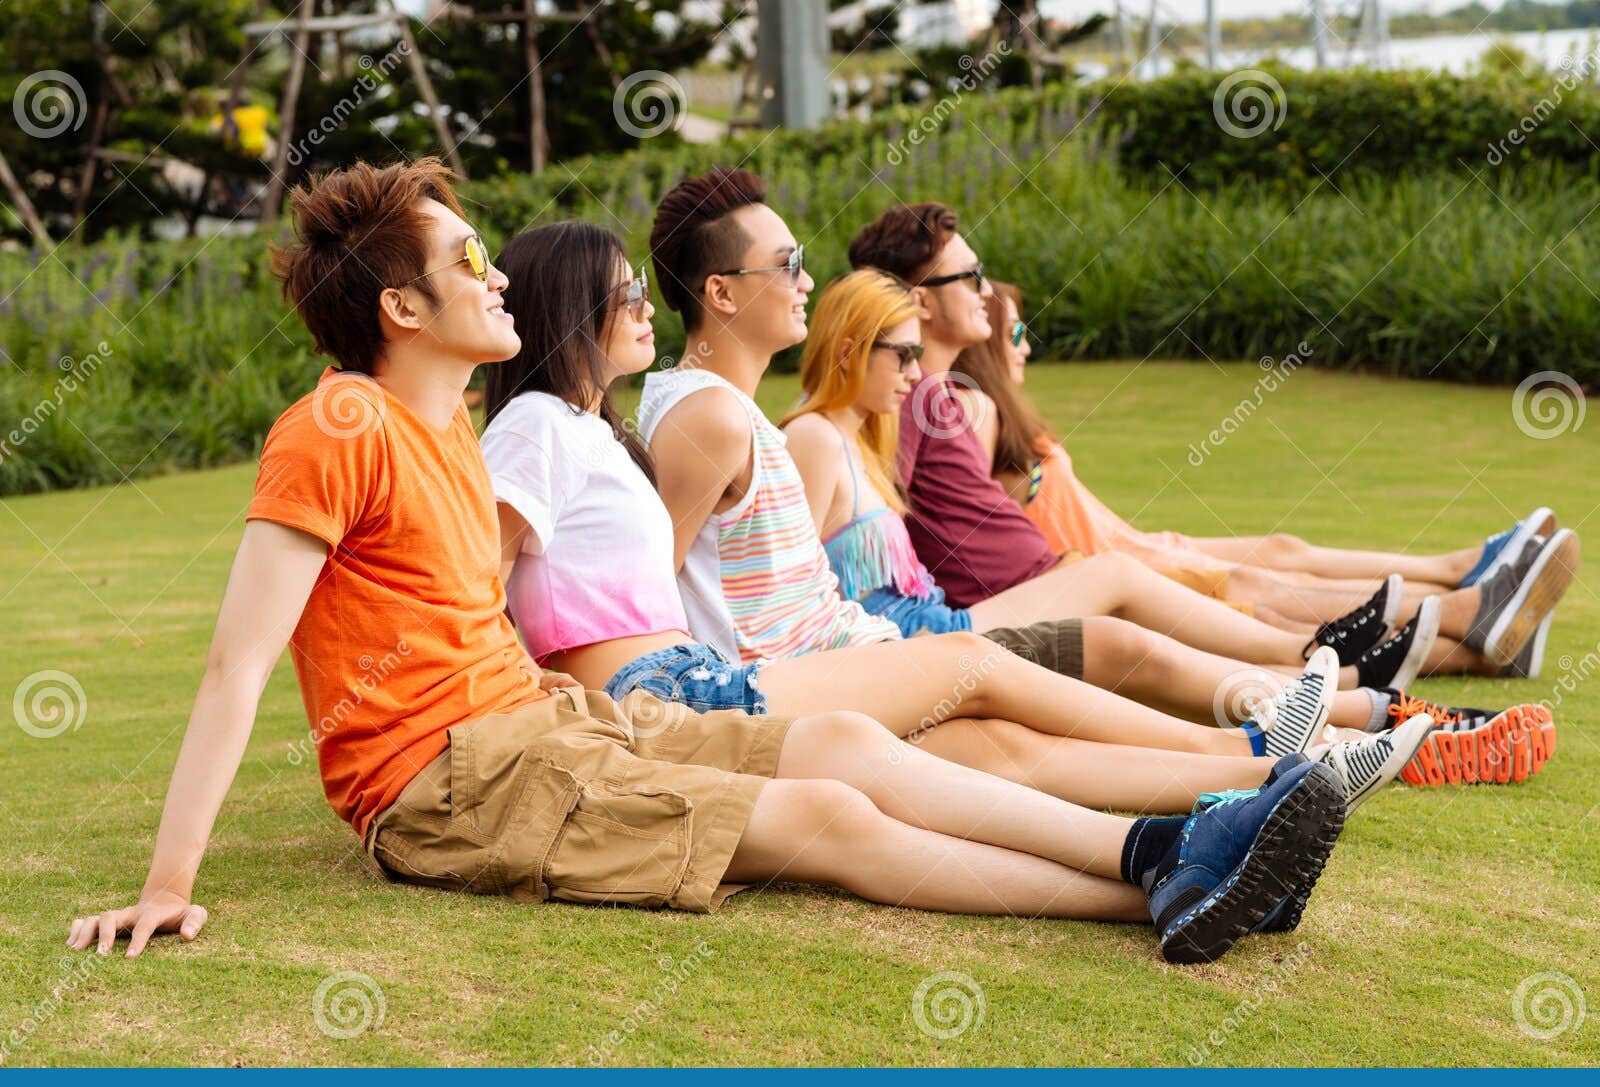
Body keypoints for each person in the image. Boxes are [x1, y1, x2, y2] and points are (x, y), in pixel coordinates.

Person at [59, 158, 1352, 967]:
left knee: (849, 747)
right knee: (828, 817)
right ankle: (1168, 875)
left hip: (543, 719)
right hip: (444, 780)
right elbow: (238, 663)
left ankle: (1187, 837)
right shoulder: (338, 421)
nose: (497, 270)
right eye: (465, 261)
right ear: (400, 309)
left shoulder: (446, 423)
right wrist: (168, 883)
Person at [481, 221, 1438, 815]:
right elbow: (589, 585)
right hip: (763, 672)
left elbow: (654, 582)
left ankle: (1299, 749)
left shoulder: (627, 426)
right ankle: (1285, 726)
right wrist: (550, 715)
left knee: (1012, 747)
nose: (805, 281)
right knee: (1027, 654)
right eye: (789, 264)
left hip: (782, 662)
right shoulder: (682, 419)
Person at [784, 269, 1556, 790]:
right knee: (1122, 603)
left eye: (920, 355)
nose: (918, 371)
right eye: (903, 353)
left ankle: (1365, 702)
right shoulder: (817, 440)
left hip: (927, 631)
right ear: (851, 349)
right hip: (911, 640)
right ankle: (1355, 693)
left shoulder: (865, 438)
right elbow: (777, 593)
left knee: (1142, 621)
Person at [846, 201, 1580, 679]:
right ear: (917, 298)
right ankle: (1466, 613)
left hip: (1068, 573)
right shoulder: (924, 404)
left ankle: (1470, 619)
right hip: (1046, 591)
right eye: (969, 275)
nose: (986, 288)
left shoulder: (934, 397)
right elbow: (882, 508)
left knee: (1260, 594)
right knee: (1256, 605)